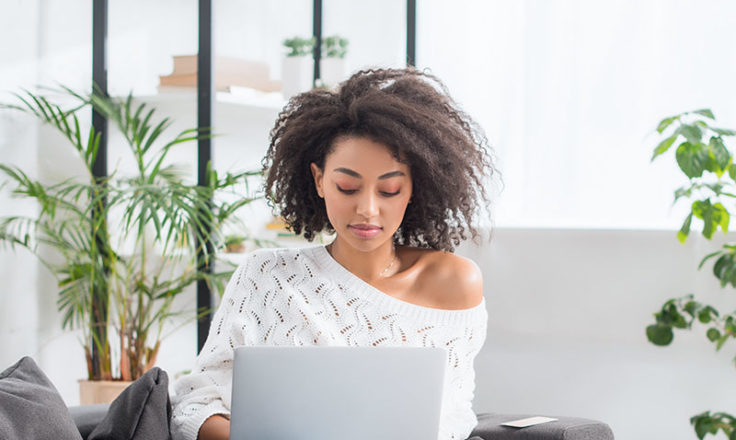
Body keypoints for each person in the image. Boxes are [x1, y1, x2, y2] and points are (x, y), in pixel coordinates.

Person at [171, 67, 497, 440]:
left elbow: (452, 419)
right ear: (318, 180)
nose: (368, 210)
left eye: (389, 190)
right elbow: (194, 406)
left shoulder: (454, 282)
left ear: (413, 189)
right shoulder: (265, 277)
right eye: (347, 187)